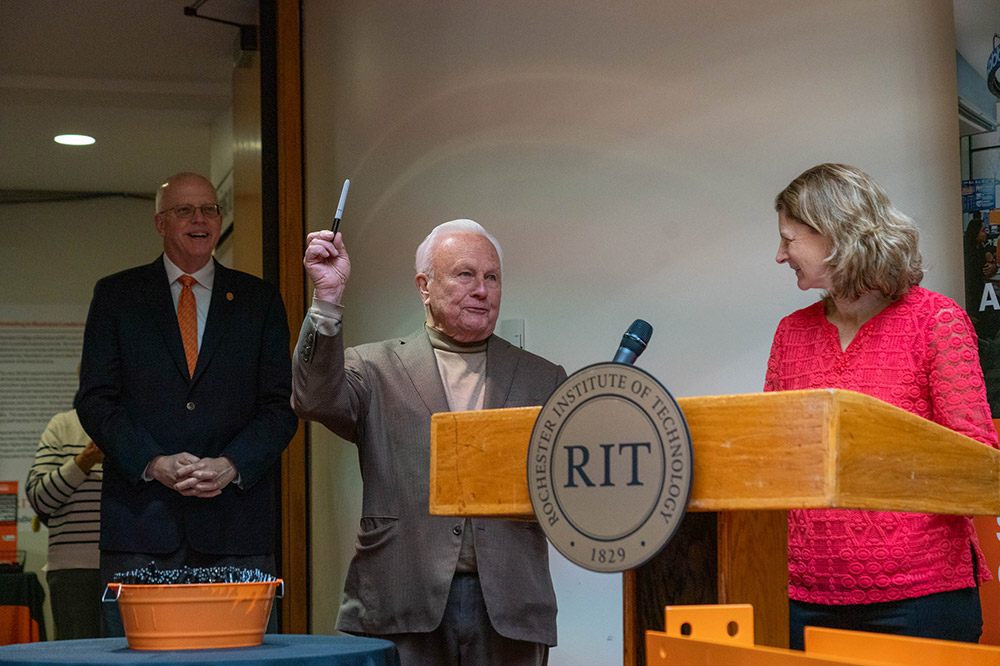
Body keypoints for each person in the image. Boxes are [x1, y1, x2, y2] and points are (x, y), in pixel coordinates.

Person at [292, 219, 564, 665]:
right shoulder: (373, 367)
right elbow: (312, 399)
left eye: (492, 277)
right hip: (399, 597)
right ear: (425, 286)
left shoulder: (542, 378)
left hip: (511, 605)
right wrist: (327, 299)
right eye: (465, 274)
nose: (482, 290)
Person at [766, 163, 999, 649]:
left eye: (789, 240)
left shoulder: (936, 322)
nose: (780, 255)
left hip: (921, 599)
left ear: (834, 234)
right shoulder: (791, 332)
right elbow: (775, 456)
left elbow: (979, 464)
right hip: (803, 598)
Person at [76, 172, 298, 636]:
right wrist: (152, 462)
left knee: (240, 658)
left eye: (209, 210)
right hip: (141, 529)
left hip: (237, 529)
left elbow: (280, 407)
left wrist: (231, 465)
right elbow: (96, 400)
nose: (200, 220)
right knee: (141, 659)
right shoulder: (117, 296)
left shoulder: (258, 300)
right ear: (160, 223)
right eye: (185, 211)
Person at [25, 407, 103, 640]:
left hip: (133, 566)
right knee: (77, 653)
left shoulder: (138, 422)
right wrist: (84, 461)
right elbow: (39, 499)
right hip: (75, 571)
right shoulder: (63, 425)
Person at [964, 213, 999, 340]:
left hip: (982, 291)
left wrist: (993, 264)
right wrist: (989, 262)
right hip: (975, 294)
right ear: (975, 234)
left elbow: (990, 268)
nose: (985, 234)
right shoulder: (970, 253)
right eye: (983, 231)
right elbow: (983, 271)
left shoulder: (981, 249)